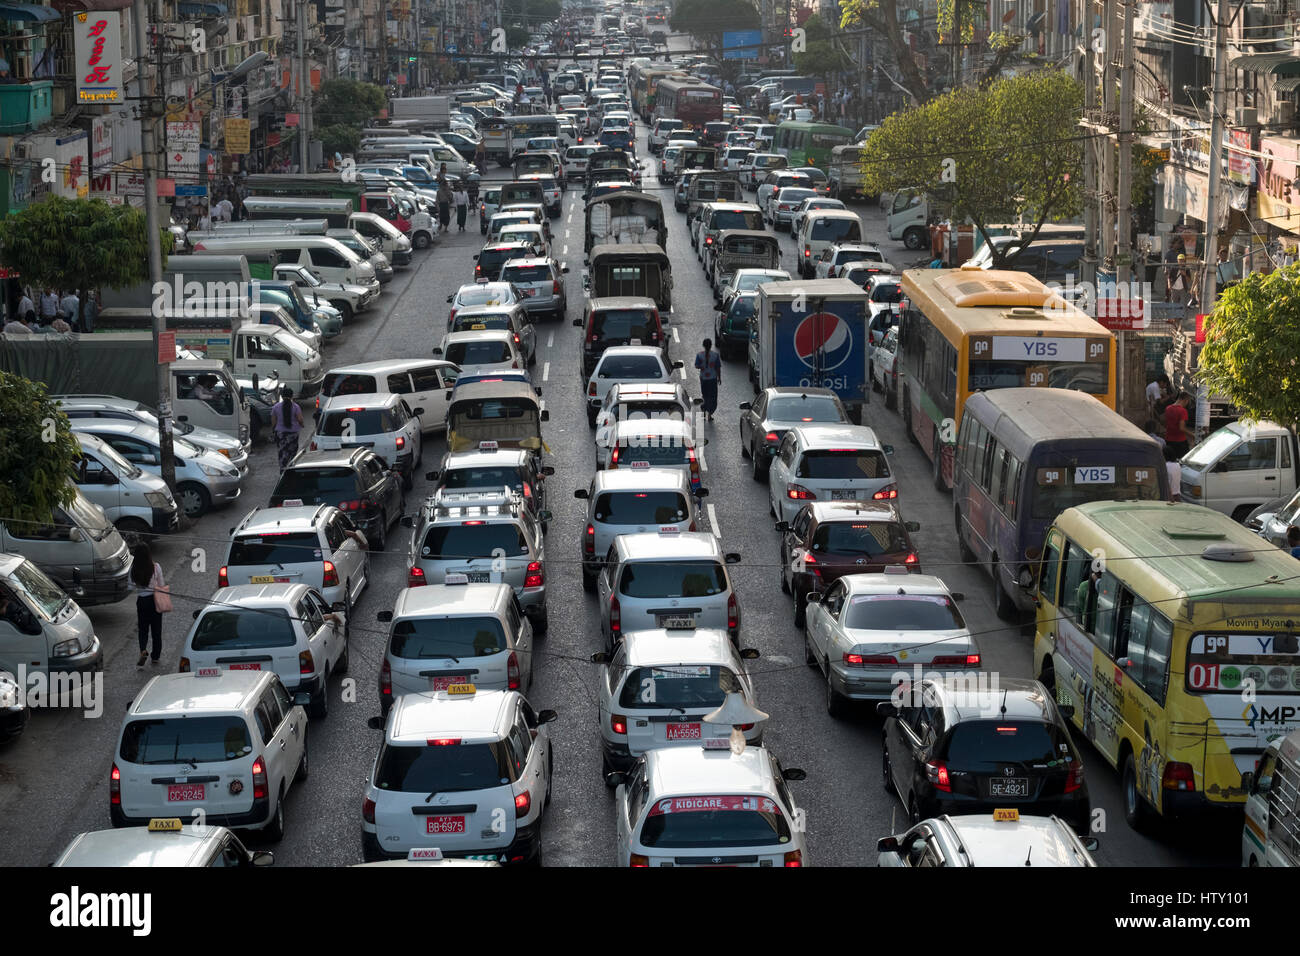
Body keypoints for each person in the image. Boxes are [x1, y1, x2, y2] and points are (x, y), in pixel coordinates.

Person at [130, 543, 165, 666]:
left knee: (143, 629)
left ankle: (143, 650)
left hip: (142, 601)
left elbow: (131, 586)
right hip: (155, 601)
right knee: (156, 630)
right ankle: (155, 656)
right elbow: (161, 585)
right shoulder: (156, 567)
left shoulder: (133, 569)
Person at [272, 387, 305, 471]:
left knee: (282, 451)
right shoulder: (296, 407)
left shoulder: (276, 407)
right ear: (292, 396)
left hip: (280, 434)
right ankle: (291, 468)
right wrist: (302, 425)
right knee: (292, 452)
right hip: (293, 434)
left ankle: (282, 468)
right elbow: (300, 419)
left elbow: (273, 422)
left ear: (282, 396)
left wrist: (274, 430)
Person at [695, 338, 722, 422]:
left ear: (703, 345)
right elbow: (718, 368)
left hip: (704, 379)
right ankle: (709, 415)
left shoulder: (699, 355)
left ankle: (703, 411)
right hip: (713, 379)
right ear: (711, 345)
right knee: (712, 397)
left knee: (705, 395)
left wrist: (702, 366)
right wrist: (719, 378)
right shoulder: (715, 355)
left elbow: (696, 365)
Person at [1164, 390, 1193, 461]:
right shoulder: (1183, 411)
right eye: (1188, 402)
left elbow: (1165, 423)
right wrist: (1192, 434)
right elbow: (1181, 428)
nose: (1187, 404)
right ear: (1186, 400)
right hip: (1180, 441)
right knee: (1184, 460)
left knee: (1170, 460)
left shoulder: (1168, 408)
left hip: (1168, 439)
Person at [436, 164, 451, 235]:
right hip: (442, 203)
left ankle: (445, 228)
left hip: (445, 203)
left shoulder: (446, 190)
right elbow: (439, 180)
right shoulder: (440, 175)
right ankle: (441, 225)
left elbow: (450, 195)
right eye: (445, 169)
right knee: (441, 216)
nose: (446, 171)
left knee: (446, 216)